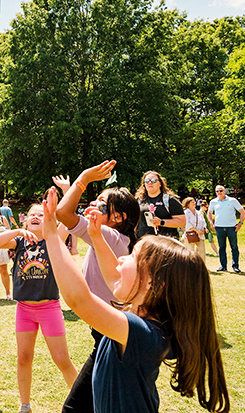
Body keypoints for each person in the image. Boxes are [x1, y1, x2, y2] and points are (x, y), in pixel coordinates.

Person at [41, 185, 230, 413]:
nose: (120, 260)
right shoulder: (144, 322)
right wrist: (96, 237)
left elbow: (79, 300)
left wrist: (52, 235)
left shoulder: (141, 333)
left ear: (152, 284)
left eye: (132, 256)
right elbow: (113, 277)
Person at [54, 162, 140, 413]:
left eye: (101, 204)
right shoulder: (112, 238)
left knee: (75, 408)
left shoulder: (108, 236)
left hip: (111, 336)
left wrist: (83, 179)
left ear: (117, 217)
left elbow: (64, 213)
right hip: (109, 333)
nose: (93, 205)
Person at [0, 204, 78, 413]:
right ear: (25, 220)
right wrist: (18, 231)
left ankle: (86, 403)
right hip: (24, 310)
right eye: (31, 215)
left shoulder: (53, 238)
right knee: (23, 357)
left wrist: (66, 192)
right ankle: (25, 405)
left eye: (41, 214)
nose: (35, 217)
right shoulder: (19, 241)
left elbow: (66, 220)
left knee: (62, 360)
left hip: (49, 308)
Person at [135, 170, 186, 240]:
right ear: (144, 184)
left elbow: (182, 222)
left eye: (153, 180)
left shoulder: (170, 200)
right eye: (147, 181)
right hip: (144, 242)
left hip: (166, 243)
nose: (150, 183)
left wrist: (161, 222)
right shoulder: (139, 201)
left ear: (160, 183)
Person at [208, 186, 245, 273]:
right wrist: (211, 223)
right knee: (221, 247)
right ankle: (223, 266)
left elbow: (243, 212)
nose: (219, 192)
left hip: (231, 227)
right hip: (219, 227)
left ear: (224, 191)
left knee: (234, 247)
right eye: (217, 191)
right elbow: (209, 213)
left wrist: (240, 223)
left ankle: (235, 266)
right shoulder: (213, 202)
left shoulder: (232, 201)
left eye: (221, 191)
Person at [182, 197, 207, 261]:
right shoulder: (186, 213)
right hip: (190, 235)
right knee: (190, 252)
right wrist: (197, 231)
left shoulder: (199, 213)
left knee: (202, 251)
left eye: (194, 202)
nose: (194, 203)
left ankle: (202, 267)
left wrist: (203, 229)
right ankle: (190, 268)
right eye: (192, 202)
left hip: (200, 235)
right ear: (188, 204)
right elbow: (188, 224)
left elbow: (203, 221)